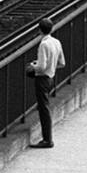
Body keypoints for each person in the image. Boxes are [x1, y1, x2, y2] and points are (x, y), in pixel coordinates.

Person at [26, 18, 65, 149]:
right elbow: (62, 63)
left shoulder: (43, 44)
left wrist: (33, 66)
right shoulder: (56, 42)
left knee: (44, 109)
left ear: (40, 30)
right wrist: (51, 67)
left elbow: (42, 67)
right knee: (44, 107)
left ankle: (47, 140)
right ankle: (47, 138)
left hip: (42, 79)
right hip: (51, 78)